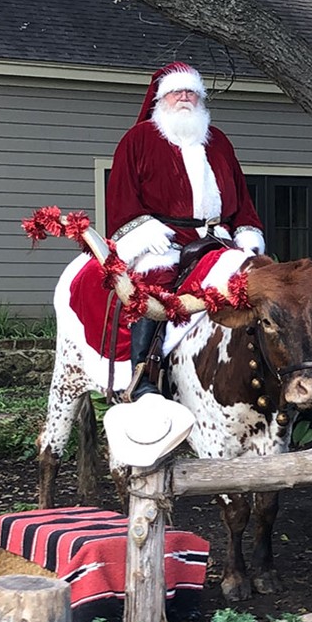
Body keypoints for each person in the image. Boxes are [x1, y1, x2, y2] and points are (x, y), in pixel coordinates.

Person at [106, 61, 266, 403]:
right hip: (162, 237)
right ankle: (142, 371)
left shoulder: (218, 141)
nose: (185, 98)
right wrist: (144, 231)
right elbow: (121, 196)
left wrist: (247, 237)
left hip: (216, 237)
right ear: (161, 98)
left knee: (258, 281)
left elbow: (242, 199)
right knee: (155, 285)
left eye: (191, 92)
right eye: (177, 91)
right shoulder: (138, 140)